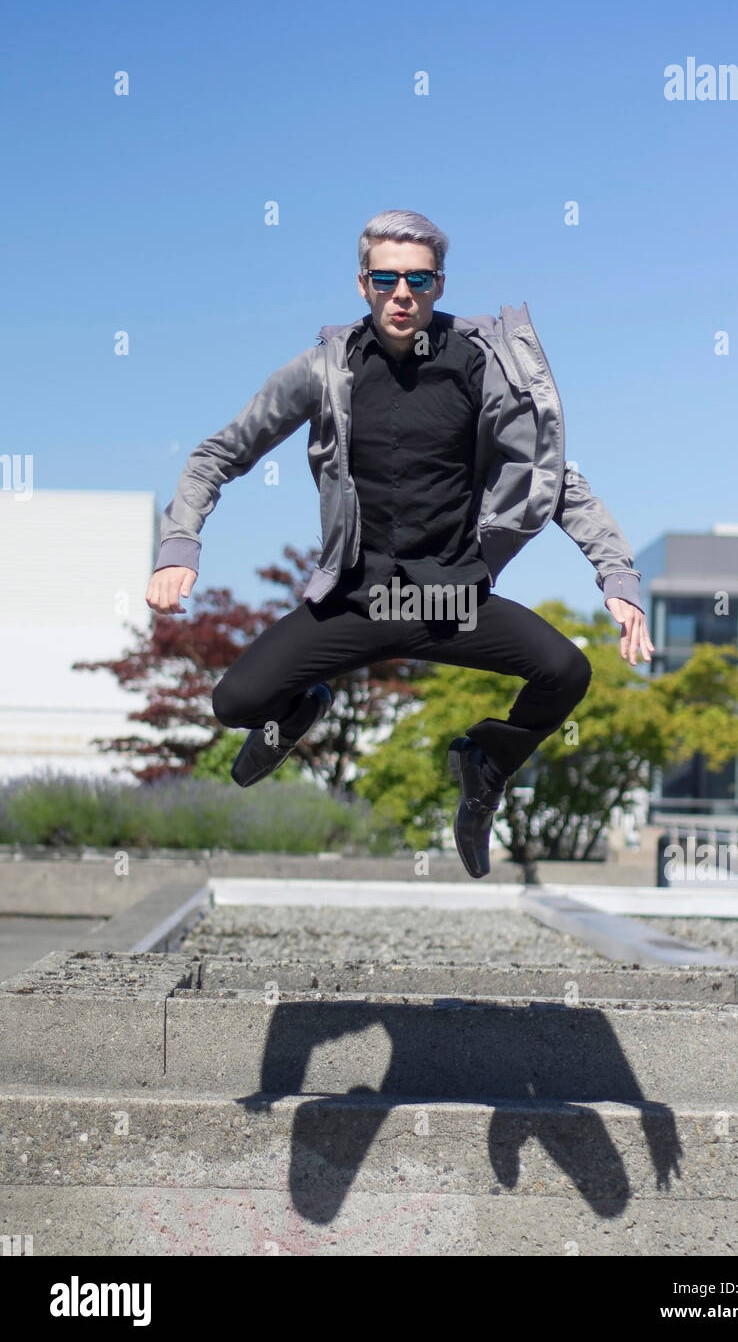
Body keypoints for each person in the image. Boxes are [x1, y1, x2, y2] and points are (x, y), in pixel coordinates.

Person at [145, 209, 654, 877]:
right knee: (235, 703)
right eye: (385, 278)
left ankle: (484, 766)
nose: (402, 293)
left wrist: (617, 580)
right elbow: (220, 452)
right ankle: (302, 706)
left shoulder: (481, 366)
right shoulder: (325, 370)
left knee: (565, 672)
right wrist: (179, 546)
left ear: (439, 285)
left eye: (419, 279)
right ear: (362, 283)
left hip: (451, 603)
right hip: (355, 602)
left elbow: (554, 482)